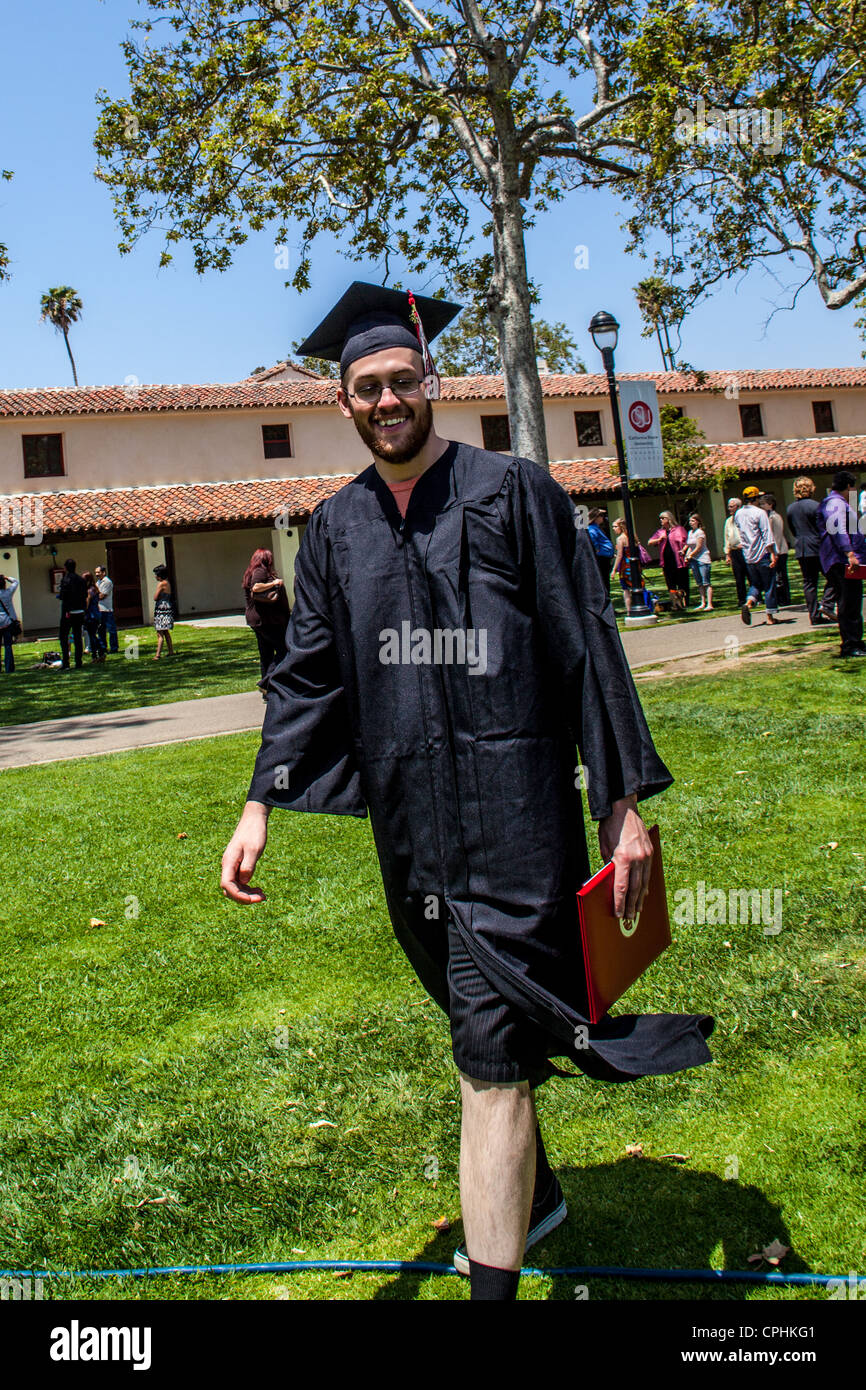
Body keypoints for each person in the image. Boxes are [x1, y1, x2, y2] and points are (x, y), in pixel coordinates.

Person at [220, 281, 713, 1304]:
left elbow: (586, 649)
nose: (387, 400)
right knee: (476, 1022)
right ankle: (534, 1197)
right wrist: (260, 802)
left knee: (488, 1055)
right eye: (366, 388)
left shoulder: (511, 492)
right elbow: (308, 677)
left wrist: (619, 805)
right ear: (341, 402)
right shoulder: (339, 530)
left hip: (516, 819)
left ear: (430, 381)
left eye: (402, 381)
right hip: (412, 838)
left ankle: (492, 1288)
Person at [817, 469, 866, 658]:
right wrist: (850, 554)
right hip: (842, 561)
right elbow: (838, 530)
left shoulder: (840, 503)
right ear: (848, 486)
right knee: (848, 602)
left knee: (852, 600)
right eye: (852, 487)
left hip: (846, 559)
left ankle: (856, 641)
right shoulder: (835, 503)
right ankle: (850, 644)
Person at [786, 477, 836, 626]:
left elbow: (793, 529)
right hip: (818, 546)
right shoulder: (816, 506)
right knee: (834, 577)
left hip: (801, 547)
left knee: (809, 583)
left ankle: (814, 616)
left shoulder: (790, 508)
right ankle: (827, 604)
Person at [243, 547, 291, 695]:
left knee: (266, 653)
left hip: (258, 619)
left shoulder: (251, 572)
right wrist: (275, 583)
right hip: (267, 620)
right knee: (284, 650)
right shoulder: (260, 571)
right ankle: (266, 682)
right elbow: (256, 587)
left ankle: (267, 689)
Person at [734, 487, 779, 625]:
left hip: (748, 555)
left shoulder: (738, 514)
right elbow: (766, 534)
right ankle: (770, 616)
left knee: (755, 583)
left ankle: (748, 603)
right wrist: (772, 552)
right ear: (756, 498)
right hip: (762, 553)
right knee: (769, 584)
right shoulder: (760, 513)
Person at [647, 510, 690, 610]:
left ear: (669, 519)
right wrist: (659, 539)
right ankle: (675, 603)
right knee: (670, 583)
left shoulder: (679, 529)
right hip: (666, 562)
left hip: (679, 561)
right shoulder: (660, 532)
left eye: (663, 518)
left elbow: (687, 541)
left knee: (682, 582)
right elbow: (650, 542)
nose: (661, 520)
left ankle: (684, 602)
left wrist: (684, 551)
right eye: (660, 519)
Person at [758, 493, 790, 606]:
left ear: (770, 504)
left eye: (763, 504)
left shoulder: (774, 517)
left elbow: (777, 535)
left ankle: (784, 598)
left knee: (780, 575)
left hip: (780, 550)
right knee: (776, 575)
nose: (761, 506)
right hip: (776, 550)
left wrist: (775, 552)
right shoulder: (767, 517)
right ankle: (779, 597)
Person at [57, 558, 88, 669]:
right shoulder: (81, 580)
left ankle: (66, 662)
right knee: (78, 637)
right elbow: (85, 595)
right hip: (79, 611)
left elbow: (62, 596)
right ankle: (78, 662)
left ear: (65, 568)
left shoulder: (66, 580)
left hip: (68, 612)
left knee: (63, 636)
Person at [683, 511, 713, 610]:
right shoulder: (690, 532)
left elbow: (699, 547)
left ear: (698, 522)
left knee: (706, 582)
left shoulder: (700, 533)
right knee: (699, 583)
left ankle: (710, 604)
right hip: (694, 560)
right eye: (690, 521)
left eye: (693, 521)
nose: (691, 522)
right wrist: (685, 554)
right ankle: (703, 603)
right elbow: (689, 546)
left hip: (703, 559)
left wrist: (690, 555)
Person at [723, 497, 749, 606]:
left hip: (745, 550)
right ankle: (741, 599)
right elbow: (727, 538)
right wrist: (727, 554)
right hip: (734, 552)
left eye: (731, 506)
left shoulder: (744, 518)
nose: (729, 508)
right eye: (728, 506)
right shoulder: (728, 521)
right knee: (738, 577)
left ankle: (756, 597)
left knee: (750, 575)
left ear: (738, 507)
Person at [586, 507, 615, 593]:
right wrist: (597, 550)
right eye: (601, 516)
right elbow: (593, 538)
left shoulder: (597, 528)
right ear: (596, 518)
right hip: (601, 558)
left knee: (605, 578)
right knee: (603, 578)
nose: (603, 518)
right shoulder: (592, 528)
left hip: (604, 557)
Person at [94, 564, 120, 654]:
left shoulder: (107, 582)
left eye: (98, 572)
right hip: (99, 609)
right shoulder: (98, 583)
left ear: (103, 572)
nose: (97, 574)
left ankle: (114, 647)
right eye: (96, 572)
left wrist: (94, 596)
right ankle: (103, 647)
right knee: (101, 630)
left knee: (111, 629)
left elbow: (102, 596)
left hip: (107, 609)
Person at [82, 572, 106, 663]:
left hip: (91, 616)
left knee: (92, 635)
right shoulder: (95, 589)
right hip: (96, 614)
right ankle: (96, 655)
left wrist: (83, 610)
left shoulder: (90, 590)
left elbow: (87, 602)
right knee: (92, 635)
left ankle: (100, 652)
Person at [152, 564, 175, 659]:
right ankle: (171, 651)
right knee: (166, 631)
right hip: (168, 607)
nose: (155, 576)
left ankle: (158, 654)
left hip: (161, 609)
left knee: (160, 633)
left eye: (156, 574)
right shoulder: (168, 583)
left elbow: (155, 597)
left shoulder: (161, 584)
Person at [0, 572, 20, 673]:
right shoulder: (8, 593)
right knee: (8, 646)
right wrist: (7, 577)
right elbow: (16, 582)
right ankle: (9, 668)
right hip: (7, 622)